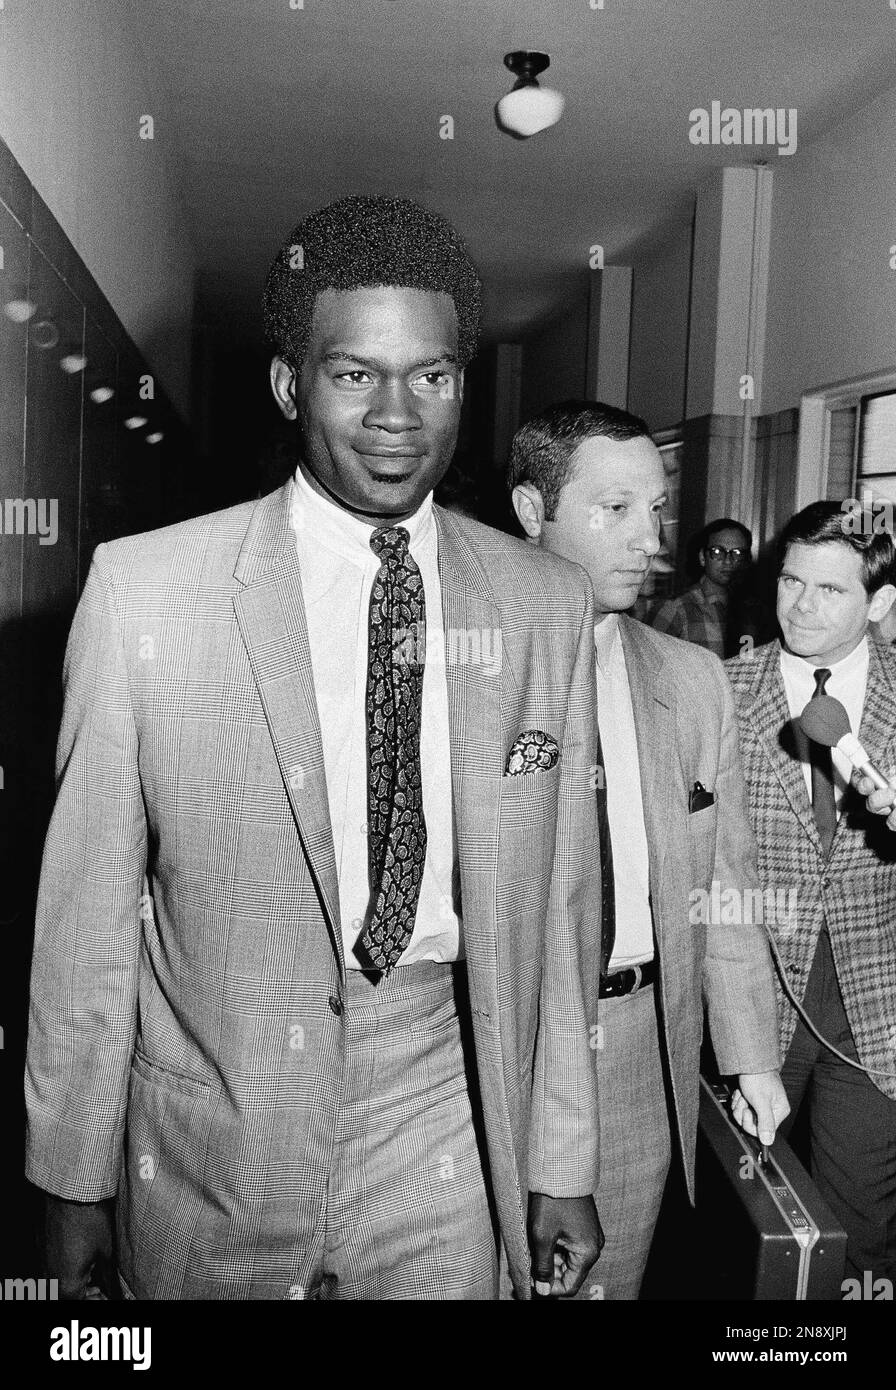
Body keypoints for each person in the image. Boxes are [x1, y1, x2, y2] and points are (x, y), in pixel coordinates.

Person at [25, 196, 604, 1301]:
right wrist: (70, 1180)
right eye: (355, 375)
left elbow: (560, 909)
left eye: (431, 376)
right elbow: (87, 914)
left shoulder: (543, 603)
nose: (398, 414)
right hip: (218, 1112)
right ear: (294, 385)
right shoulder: (148, 588)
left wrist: (561, 1157)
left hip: (444, 1095)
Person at [507, 399, 787, 1300]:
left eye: (656, 509)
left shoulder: (690, 682)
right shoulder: (456, 668)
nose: (649, 539)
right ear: (530, 511)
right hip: (490, 1048)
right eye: (613, 508)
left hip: (634, 1055)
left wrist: (750, 1057)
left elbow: (726, 891)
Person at [726, 500, 896, 1280]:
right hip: (748, 1003)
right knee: (736, 1219)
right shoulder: (719, 690)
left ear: (882, 602)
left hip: (877, 1010)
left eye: (828, 591)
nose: (797, 606)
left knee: (862, 1235)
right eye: (790, 581)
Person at [652, 517, 757, 658]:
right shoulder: (676, 609)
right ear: (703, 557)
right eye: (718, 552)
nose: (728, 561)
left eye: (737, 553)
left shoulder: (754, 612)